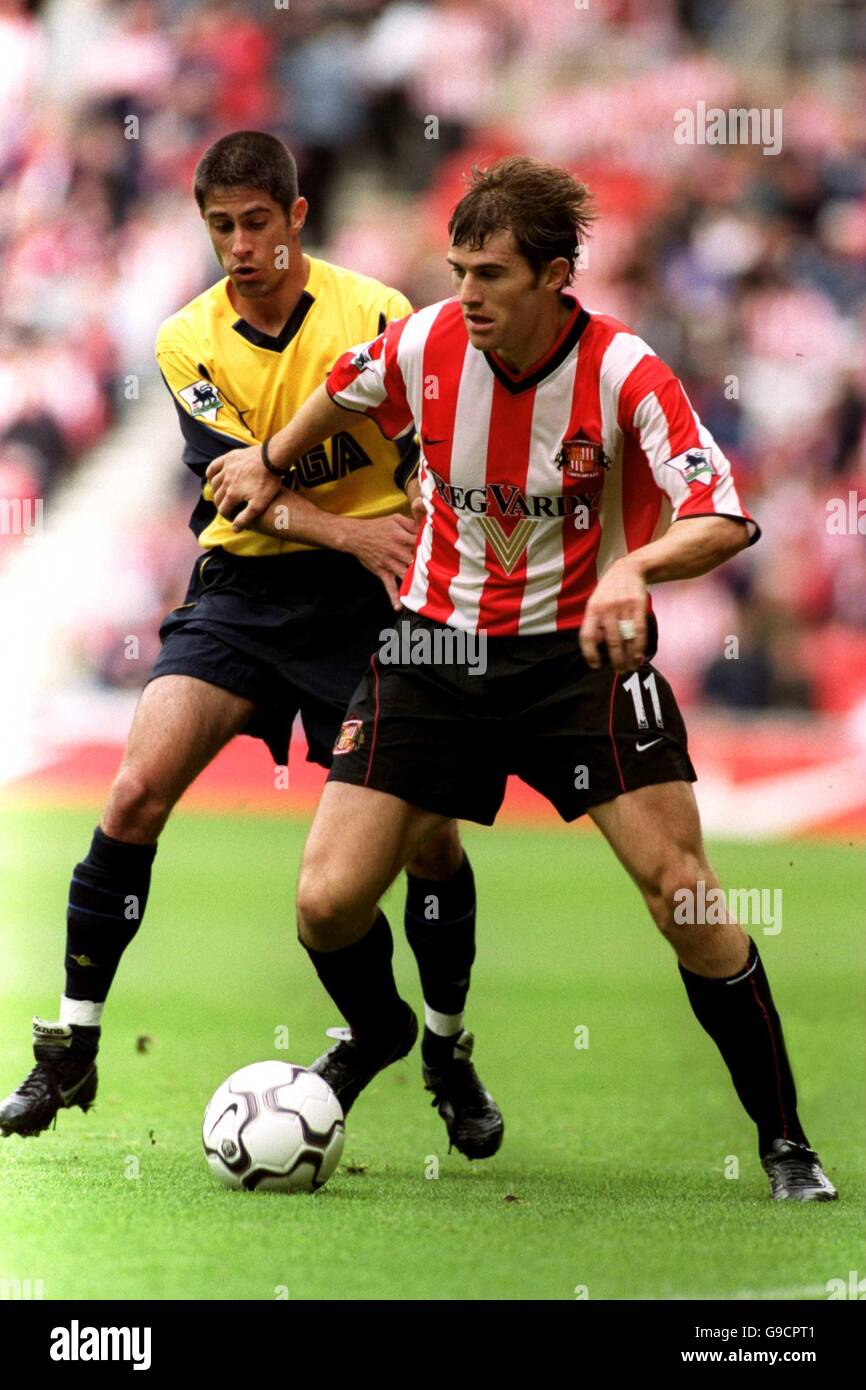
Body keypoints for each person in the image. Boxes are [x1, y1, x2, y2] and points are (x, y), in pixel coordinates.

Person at [206, 155, 837, 1202]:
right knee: (323, 903)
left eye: (490, 274)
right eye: (456, 269)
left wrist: (631, 568)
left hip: (570, 657)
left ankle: (782, 1142)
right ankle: (401, 1038)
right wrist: (269, 457)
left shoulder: (623, 371)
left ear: (553, 278)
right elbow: (338, 391)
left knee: (681, 891)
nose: (466, 294)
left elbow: (721, 514)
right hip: (432, 647)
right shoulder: (422, 343)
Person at [0, 131, 503, 1162]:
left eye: (256, 222)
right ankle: (74, 1043)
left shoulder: (379, 317)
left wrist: (410, 538)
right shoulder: (186, 338)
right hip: (240, 589)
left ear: (296, 218)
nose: (238, 244)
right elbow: (237, 488)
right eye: (220, 226)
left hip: (372, 608)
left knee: (430, 842)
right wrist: (351, 528)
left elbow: (431, 450)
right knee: (137, 791)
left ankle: (444, 1052)